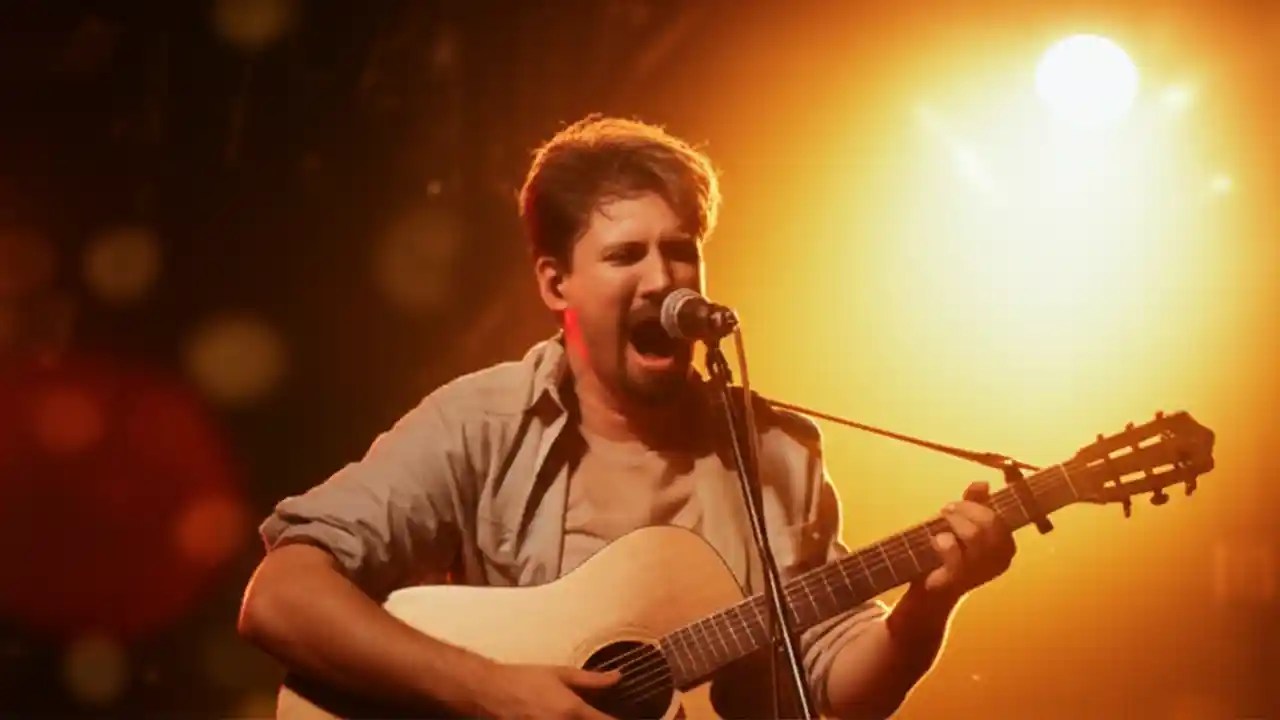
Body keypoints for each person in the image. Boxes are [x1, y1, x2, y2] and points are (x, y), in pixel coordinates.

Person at [237, 115, 1017, 720]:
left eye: (680, 251)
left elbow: (832, 692)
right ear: (555, 283)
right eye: (625, 255)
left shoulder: (776, 454)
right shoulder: (480, 421)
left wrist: (931, 602)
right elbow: (280, 597)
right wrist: (487, 692)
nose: (664, 279)